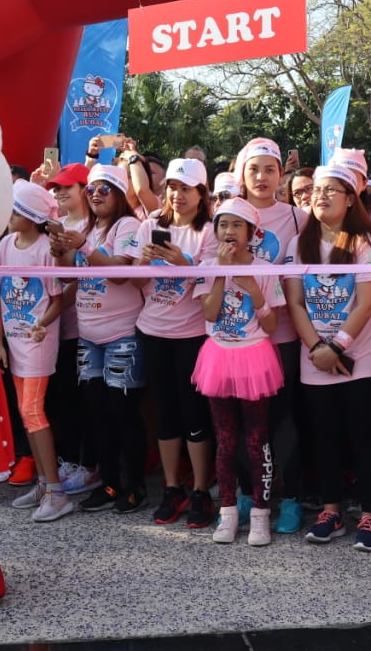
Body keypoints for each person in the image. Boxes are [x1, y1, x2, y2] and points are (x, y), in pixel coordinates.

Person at [284, 164, 371, 552]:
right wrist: (317, 349)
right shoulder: (299, 243)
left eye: (332, 190)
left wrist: (338, 346)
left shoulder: (368, 241)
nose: (320, 196)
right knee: (324, 437)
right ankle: (330, 510)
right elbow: (295, 302)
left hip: (361, 357)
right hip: (314, 359)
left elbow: (368, 302)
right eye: (316, 190)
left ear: (351, 199)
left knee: (365, 436)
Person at [216, 138, 309, 534]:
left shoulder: (297, 218)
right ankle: (246, 493)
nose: (261, 176)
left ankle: (288, 498)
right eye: (254, 168)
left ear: (281, 174)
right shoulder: (228, 214)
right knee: (236, 424)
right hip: (235, 340)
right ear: (242, 173)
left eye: (270, 168)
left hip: (281, 334)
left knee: (281, 420)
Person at [52, 164, 147, 513]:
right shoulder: (83, 228)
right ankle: (108, 484)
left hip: (122, 334)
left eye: (103, 189)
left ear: (119, 193)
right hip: (88, 336)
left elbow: (120, 273)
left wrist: (82, 246)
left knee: (123, 414)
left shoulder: (128, 225)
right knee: (97, 414)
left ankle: (134, 485)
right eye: (90, 189)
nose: (94, 195)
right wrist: (62, 252)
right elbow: (68, 280)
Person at [192, 198, 286, 546]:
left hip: (254, 357)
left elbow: (274, 324)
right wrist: (220, 273)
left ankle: (261, 515)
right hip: (218, 355)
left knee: (256, 438)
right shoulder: (206, 264)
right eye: (222, 225)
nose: (228, 232)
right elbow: (212, 314)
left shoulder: (265, 267)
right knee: (226, 439)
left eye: (236, 225)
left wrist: (252, 287)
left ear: (251, 232)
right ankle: (228, 512)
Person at [134, 158, 215, 528]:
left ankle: (200, 489)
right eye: (172, 187)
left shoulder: (209, 231)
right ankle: (171, 488)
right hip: (152, 330)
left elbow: (212, 286)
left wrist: (183, 263)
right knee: (165, 414)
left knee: (195, 414)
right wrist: (143, 263)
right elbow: (135, 284)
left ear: (202, 194)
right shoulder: (150, 226)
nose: (177, 195)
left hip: (193, 335)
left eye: (186, 188)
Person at [0, 182, 73, 522]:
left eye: (13, 211)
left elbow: (57, 299)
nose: (7, 217)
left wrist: (42, 323)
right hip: (13, 342)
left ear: (30, 216)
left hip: (38, 344)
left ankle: (56, 491)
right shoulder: (5, 246)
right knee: (26, 416)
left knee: (33, 412)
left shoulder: (44, 249)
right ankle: (43, 483)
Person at [43, 162, 100, 497]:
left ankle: (91, 466)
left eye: (68, 187)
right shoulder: (57, 226)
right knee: (63, 399)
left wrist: (52, 310)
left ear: (85, 190)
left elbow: (81, 281)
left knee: (87, 401)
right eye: (56, 189)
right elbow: (63, 276)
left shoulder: (95, 226)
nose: (60, 193)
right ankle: (69, 461)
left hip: (88, 326)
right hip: (59, 328)